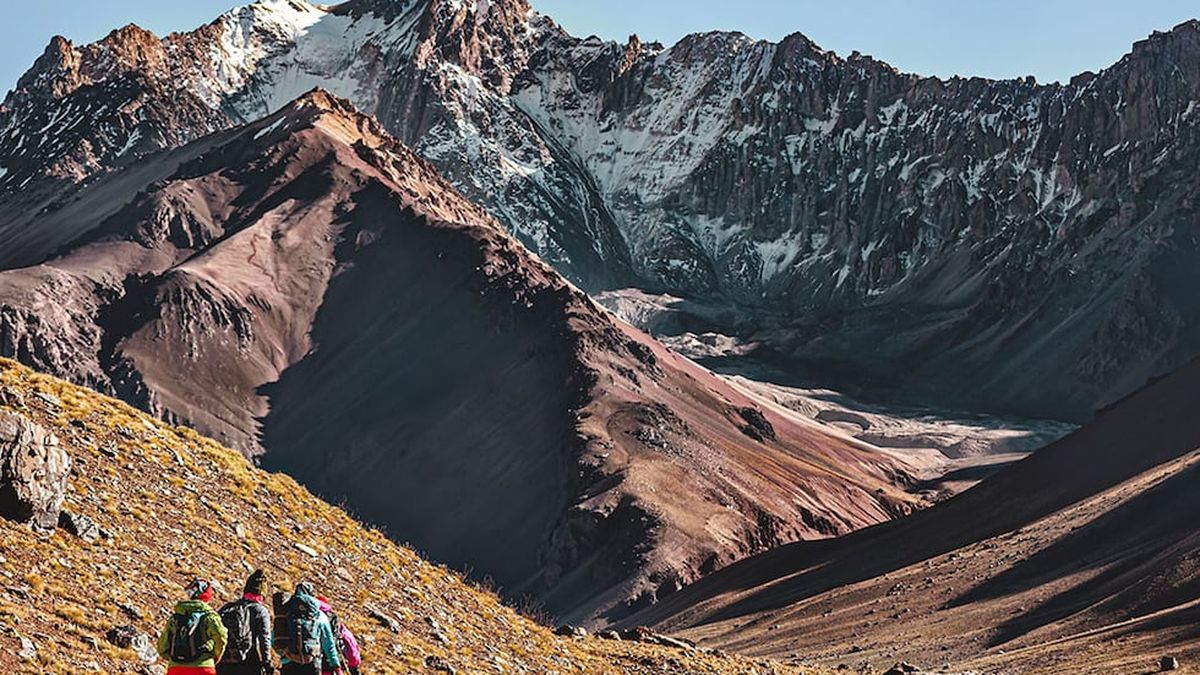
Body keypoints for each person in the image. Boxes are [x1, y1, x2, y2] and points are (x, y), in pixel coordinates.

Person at [158, 578, 228, 675]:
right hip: (203, 667)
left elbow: (162, 646)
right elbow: (221, 637)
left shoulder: (176, 616)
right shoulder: (210, 616)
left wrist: (173, 659)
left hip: (175, 668)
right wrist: (215, 655)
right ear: (207, 596)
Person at [274, 582, 341, 675]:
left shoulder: (286, 614)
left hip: (289, 663)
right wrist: (336, 665)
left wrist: (284, 654)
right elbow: (328, 643)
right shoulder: (319, 615)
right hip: (312, 662)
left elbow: (274, 638)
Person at [217, 570, 275, 675]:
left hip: (224, 662)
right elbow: (264, 638)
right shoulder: (260, 610)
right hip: (248, 661)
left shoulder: (228, 608)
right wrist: (267, 662)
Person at [317, 597, 361, 675]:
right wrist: (354, 664)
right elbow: (349, 641)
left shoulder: (303, 616)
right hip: (330, 667)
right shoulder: (332, 619)